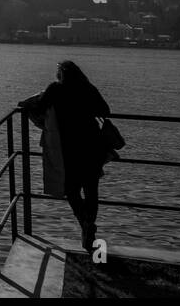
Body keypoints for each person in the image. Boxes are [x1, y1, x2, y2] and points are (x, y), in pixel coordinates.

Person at [19, 60, 112, 250]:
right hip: (92, 146)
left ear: (61, 73)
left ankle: (84, 223)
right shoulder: (88, 88)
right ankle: (88, 227)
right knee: (91, 190)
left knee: (71, 190)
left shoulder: (55, 89)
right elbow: (105, 111)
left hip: (68, 149)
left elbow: (37, 107)